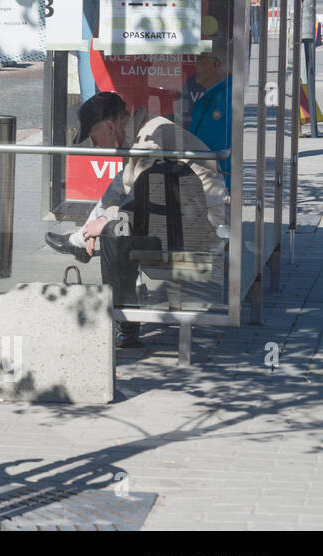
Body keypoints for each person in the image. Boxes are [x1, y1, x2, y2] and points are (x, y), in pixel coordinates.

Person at [45, 91, 226, 345]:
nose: (96, 147)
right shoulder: (147, 129)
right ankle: (80, 240)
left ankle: (125, 324)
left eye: (95, 140)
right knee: (119, 190)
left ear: (110, 126)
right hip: (183, 216)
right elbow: (140, 196)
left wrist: (105, 224)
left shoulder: (149, 142)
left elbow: (143, 206)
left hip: (197, 230)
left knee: (113, 235)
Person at [177, 40, 232, 187]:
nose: (195, 64)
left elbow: (206, 147)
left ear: (215, 64)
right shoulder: (218, 94)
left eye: (200, 59)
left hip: (217, 184)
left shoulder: (226, 97)